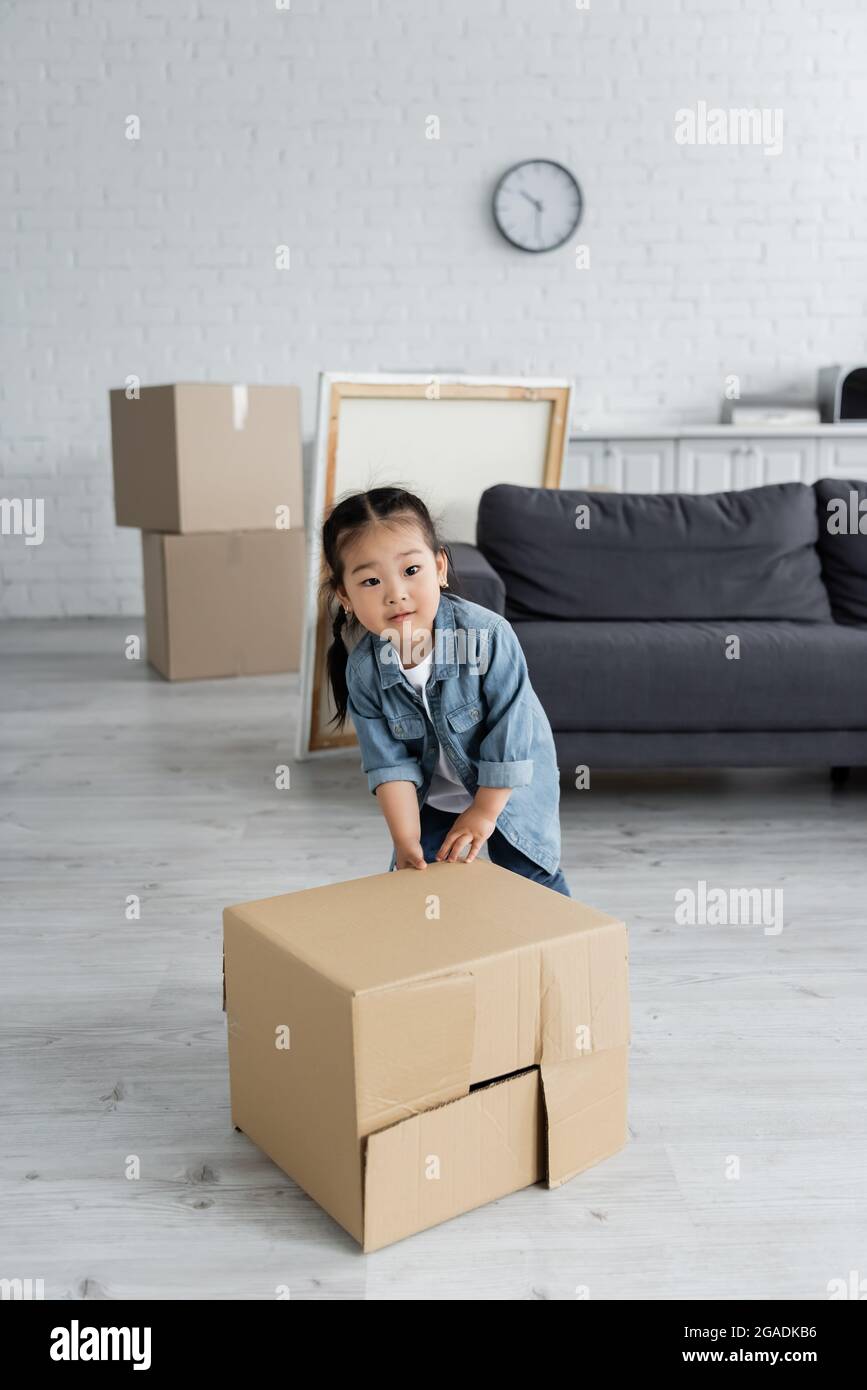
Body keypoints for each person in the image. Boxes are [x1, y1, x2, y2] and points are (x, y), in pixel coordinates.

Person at [321, 485, 572, 897]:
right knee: (422, 884)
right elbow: (390, 766)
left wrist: (484, 811)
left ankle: (564, 952)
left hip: (508, 786)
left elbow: (511, 735)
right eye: (370, 580)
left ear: (439, 567)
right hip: (433, 797)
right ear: (345, 597)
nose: (395, 593)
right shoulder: (364, 672)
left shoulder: (488, 637)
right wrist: (406, 843)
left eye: (411, 571)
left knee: (531, 873)